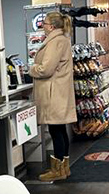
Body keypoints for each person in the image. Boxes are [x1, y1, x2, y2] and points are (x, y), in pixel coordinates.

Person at [29, 10, 77, 182]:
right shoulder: (61, 39)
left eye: (45, 23)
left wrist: (32, 68)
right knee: (60, 130)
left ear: (52, 26)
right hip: (58, 91)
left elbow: (46, 69)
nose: (42, 25)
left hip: (53, 92)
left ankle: (58, 170)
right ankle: (64, 168)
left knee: (55, 130)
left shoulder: (55, 41)